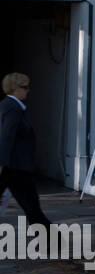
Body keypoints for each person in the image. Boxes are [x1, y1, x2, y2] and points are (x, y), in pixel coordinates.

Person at [0, 72, 50, 228]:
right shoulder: (13, 108)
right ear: (15, 88)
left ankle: (51, 241)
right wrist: (2, 163)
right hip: (15, 168)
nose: (28, 90)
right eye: (25, 87)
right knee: (32, 206)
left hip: (14, 167)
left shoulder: (10, 106)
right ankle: (51, 241)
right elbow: (7, 136)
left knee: (32, 206)